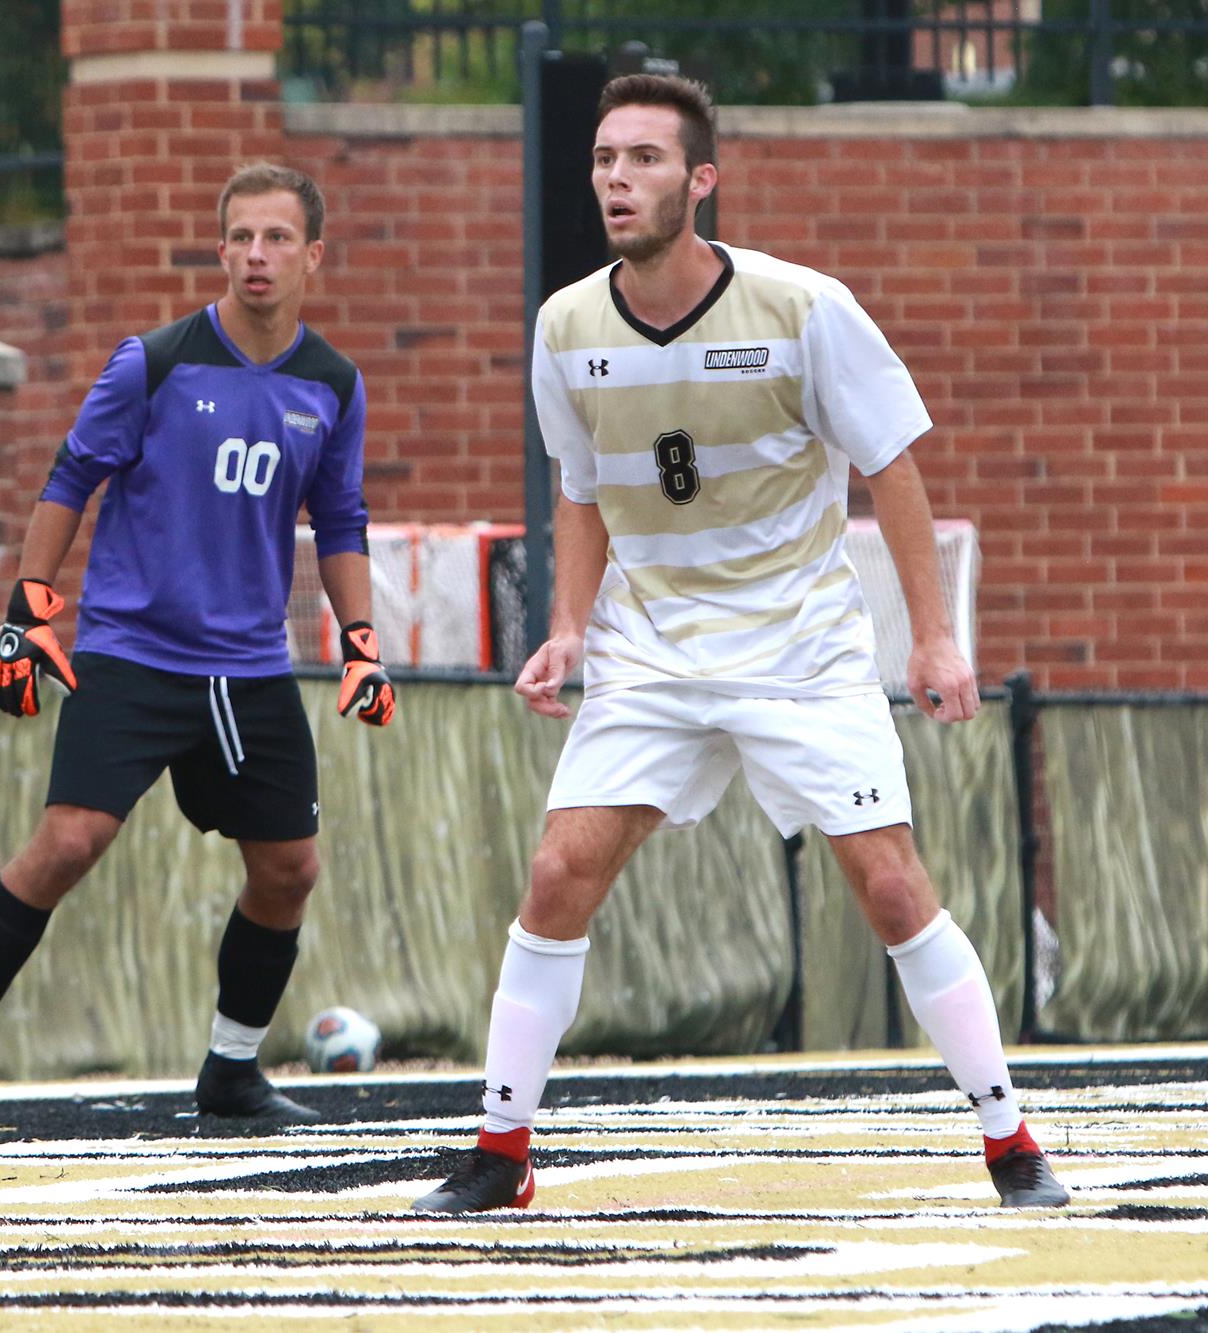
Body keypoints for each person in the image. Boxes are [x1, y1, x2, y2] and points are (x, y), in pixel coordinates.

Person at [413, 75, 1068, 1213]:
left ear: (699, 180)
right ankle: (499, 1154)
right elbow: (578, 492)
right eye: (603, 160)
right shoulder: (565, 325)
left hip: (798, 651)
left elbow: (891, 466)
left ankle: (1010, 1142)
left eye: (643, 160)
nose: (615, 179)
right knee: (558, 871)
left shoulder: (800, 306)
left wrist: (933, 640)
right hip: (652, 653)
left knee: (889, 887)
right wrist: (566, 627)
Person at [0, 163, 396, 1128]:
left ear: (313, 257)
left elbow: (340, 521)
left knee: (290, 868)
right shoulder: (155, 362)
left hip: (252, 670)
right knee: (69, 841)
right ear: (220, 250)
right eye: (242, 238)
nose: (257, 255)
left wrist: (362, 644)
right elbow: (68, 479)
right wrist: (29, 608)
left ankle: (231, 1070)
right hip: (134, 655)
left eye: (277, 239)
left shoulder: (333, 385)